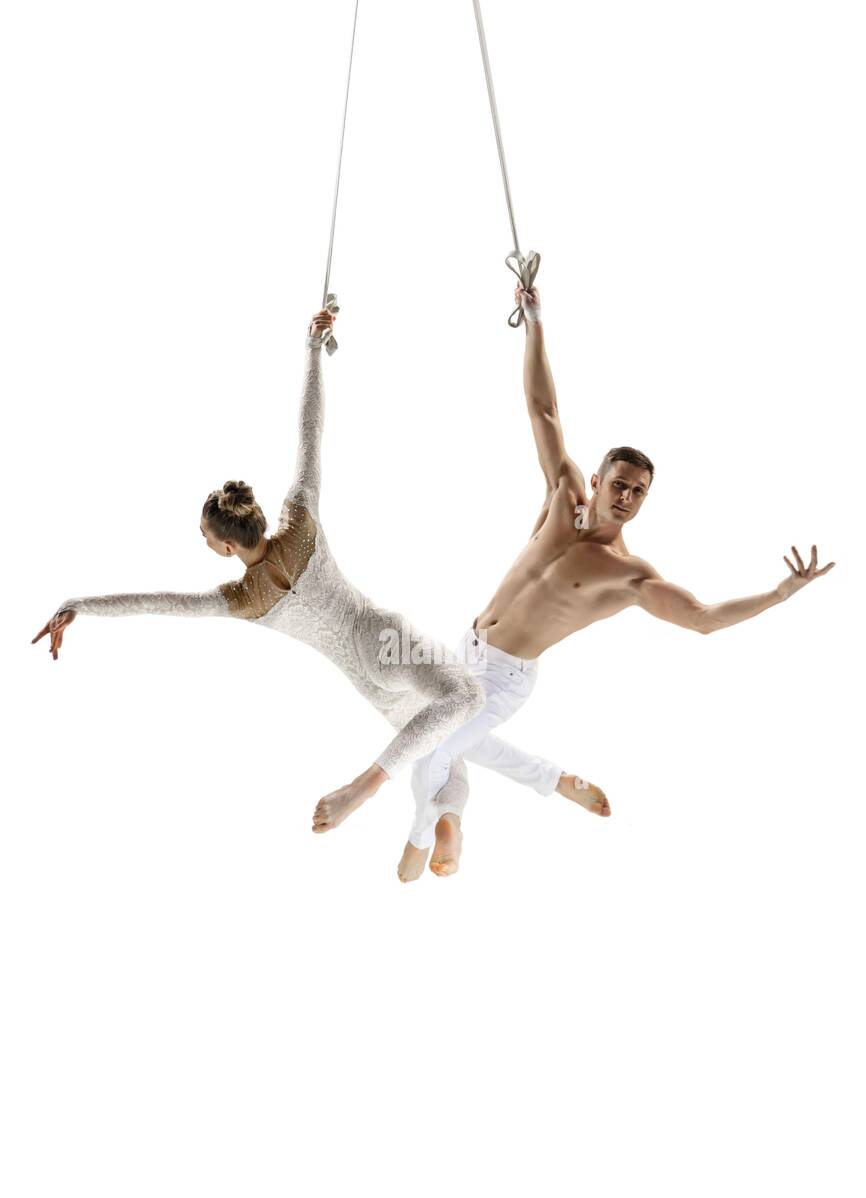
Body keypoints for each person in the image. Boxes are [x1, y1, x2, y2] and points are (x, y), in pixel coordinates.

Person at [397, 282, 835, 881]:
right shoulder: (561, 494)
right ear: (598, 479)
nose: (627, 498)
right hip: (466, 645)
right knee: (437, 739)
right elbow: (542, 409)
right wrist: (536, 326)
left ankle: (429, 837)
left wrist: (778, 595)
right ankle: (546, 784)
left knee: (433, 745)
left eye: (639, 492)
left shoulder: (628, 575)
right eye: (620, 484)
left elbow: (703, 618)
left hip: (504, 678)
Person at [33, 310, 484, 833]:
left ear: (226, 546)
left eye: (204, 536)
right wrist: (313, 349)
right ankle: (390, 795)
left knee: (445, 739)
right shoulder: (299, 518)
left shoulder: (240, 599)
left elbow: (156, 602)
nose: (205, 542)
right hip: (383, 638)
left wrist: (79, 606)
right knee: (461, 703)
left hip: (366, 681)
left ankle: (428, 819)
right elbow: (310, 430)